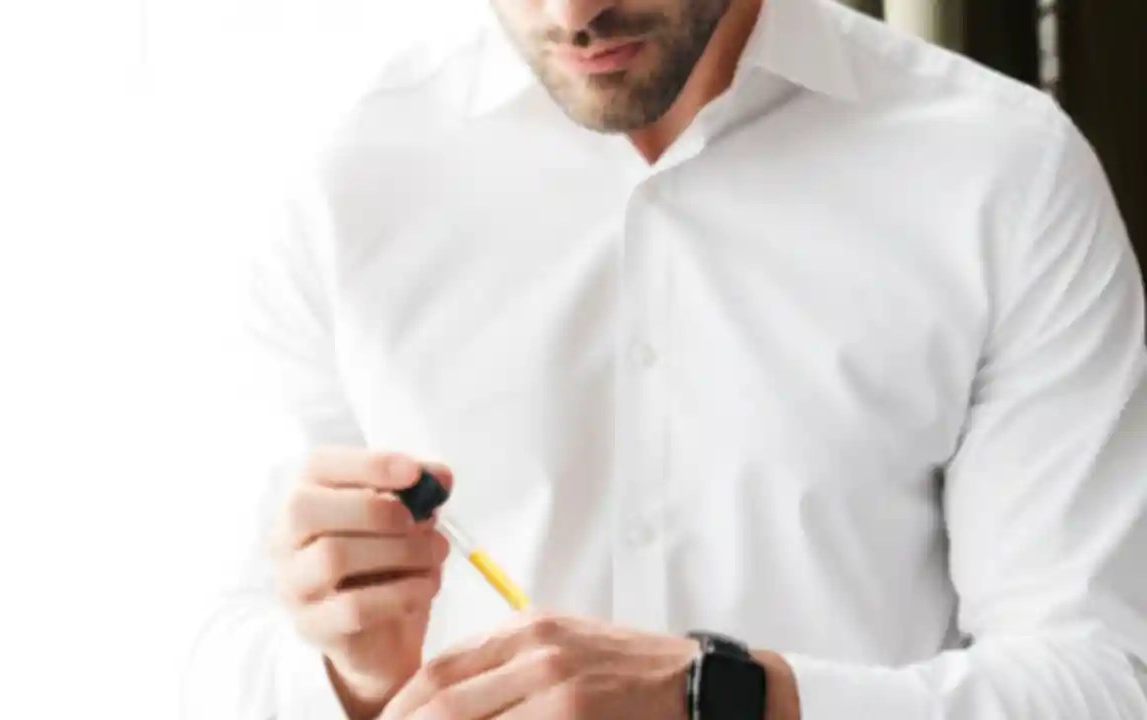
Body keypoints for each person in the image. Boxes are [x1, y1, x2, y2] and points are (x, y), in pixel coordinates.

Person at [183, 0, 1147, 717]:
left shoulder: (1005, 173)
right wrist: (351, 678)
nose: (573, 14)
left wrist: (724, 697)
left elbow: (1103, 677)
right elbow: (216, 655)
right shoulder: (339, 175)